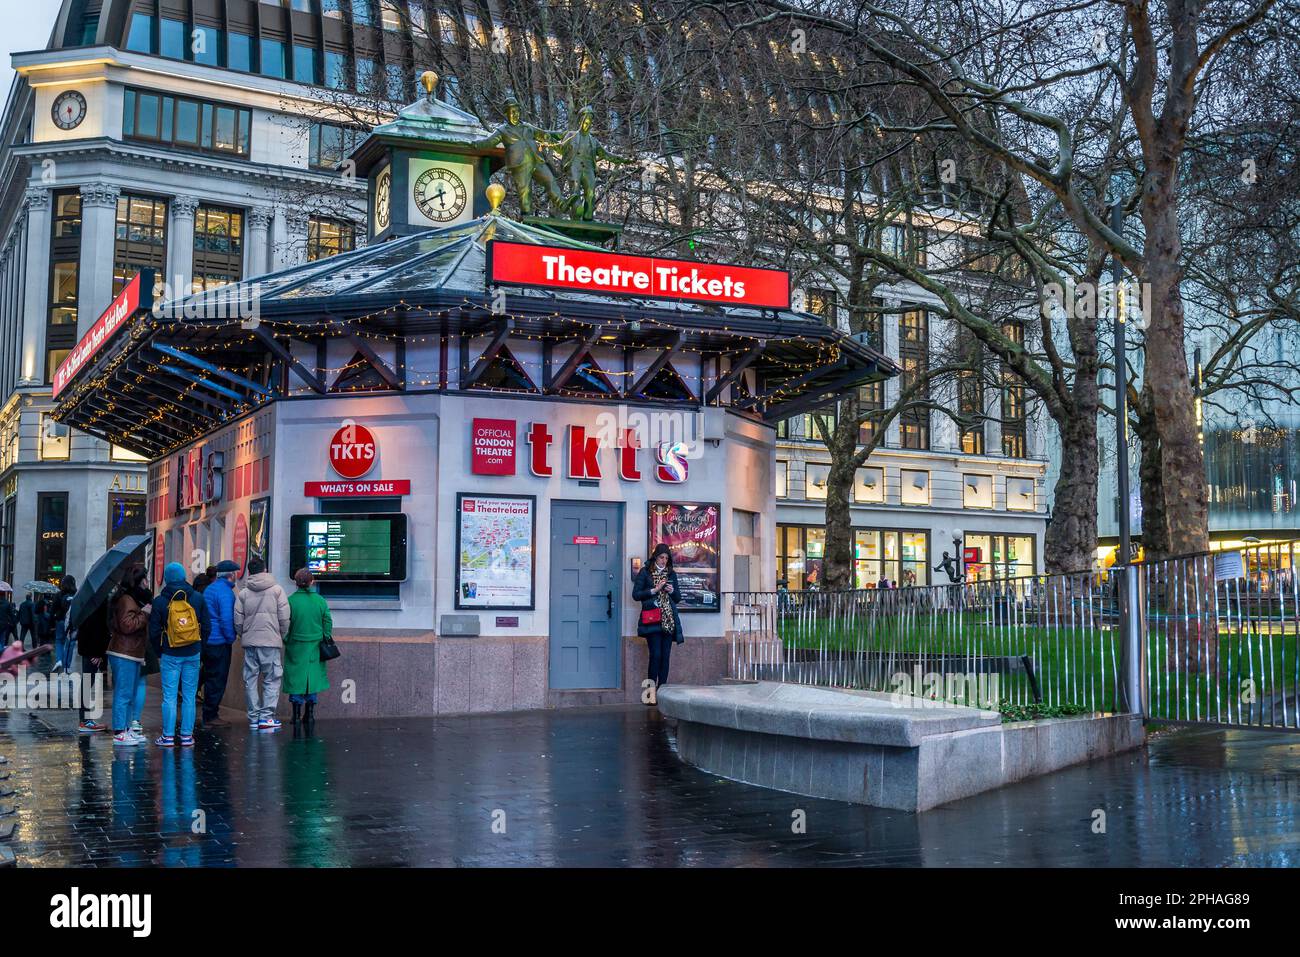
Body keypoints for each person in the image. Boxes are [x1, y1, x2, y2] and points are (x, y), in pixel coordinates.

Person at [148, 562, 210, 748]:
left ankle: (167, 736)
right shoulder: (198, 598)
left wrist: (161, 651)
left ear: (167, 578)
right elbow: (207, 627)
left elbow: (153, 632)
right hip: (192, 652)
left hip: (170, 654)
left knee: (169, 696)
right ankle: (186, 736)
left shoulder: (159, 601)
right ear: (184, 577)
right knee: (190, 696)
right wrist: (200, 647)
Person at [235, 558, 290, 731]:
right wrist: (280, 634)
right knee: (272, 678)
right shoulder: (277, 590)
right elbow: (284, 618)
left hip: (250, 642)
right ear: (265, 569)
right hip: (270, 642)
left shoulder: (243, 593)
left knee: (250, 679)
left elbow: (238, 620)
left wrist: (243, 634)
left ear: (249, 572)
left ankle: (253, 717)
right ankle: (266, 717)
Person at [106, 564, 153, 746]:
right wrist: (144, 614)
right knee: (124, 694)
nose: (148, 582)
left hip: (131, 652)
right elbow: (127, 625)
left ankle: (126, 729)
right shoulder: (126, 599)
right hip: (124, 652)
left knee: (130, 693)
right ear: (138, 581)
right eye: (145, 579)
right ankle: (119, 731)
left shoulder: (132, 599)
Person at [632, 543, 683, 705]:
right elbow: (636, 595)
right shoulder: (645, 572)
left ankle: (662, 694)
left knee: (665, 657)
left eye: (666, 558)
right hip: (652, 620)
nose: (664, 561)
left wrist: (671, 591)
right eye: (661, 557)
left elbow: (677, 598)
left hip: (668, 621)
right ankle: (649, 695)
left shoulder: (671, 574)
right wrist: (655, 590)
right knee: (655, 656)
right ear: (655, 557)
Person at [283, 568, 332, 726]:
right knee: (312, 679)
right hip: (316, 645)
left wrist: (287, 639)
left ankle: (295, 714)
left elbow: (285, 623)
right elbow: (327, 621)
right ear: (312, 582)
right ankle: (310, 714)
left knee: (296, 679)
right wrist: (325, 636)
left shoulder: (290, 601)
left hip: (295, 645)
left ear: (296, 583)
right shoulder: (320, 600)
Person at [200, 560, 239, 727]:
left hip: (207, 640)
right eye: (236, 573)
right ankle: (211, 715)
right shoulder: (225, 593)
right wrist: (231, 638)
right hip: (219, 642)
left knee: (209, 676)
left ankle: (208, 713)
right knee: (217, 679)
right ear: (231, 575)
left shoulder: (210, 589)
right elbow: (226, 619)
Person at [52, 575, 77, 673]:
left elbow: (52, 610)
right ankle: (67, 665)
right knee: (70, 643)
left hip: (60, 621)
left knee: (59, 641)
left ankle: (59, 661)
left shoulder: (58, 595)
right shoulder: (76, 594)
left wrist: (51, 623)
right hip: (72, 622)